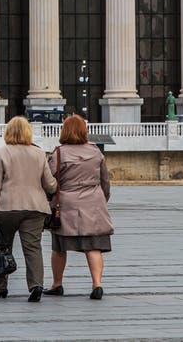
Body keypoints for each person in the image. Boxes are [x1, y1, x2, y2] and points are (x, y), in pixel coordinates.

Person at [0, 115, 57, 302]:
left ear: (8, 132)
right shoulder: (40, 153)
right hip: (35, 208)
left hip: (7, 208)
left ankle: (2, 287)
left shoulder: (2, 153)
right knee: (33, 248)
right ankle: (36, 286)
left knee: (2, 247)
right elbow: (50, 185)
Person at [44, 114, 113, 300]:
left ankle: (57, 283)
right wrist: (101, 199)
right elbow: (104, 181)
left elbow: (49, 182)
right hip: (93, 204)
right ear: (84, 131)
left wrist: (49, 199)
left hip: (67, 206)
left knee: (59, 248)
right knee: (94, 247)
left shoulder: (58, 153)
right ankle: (97, 283)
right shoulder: (96, 152)